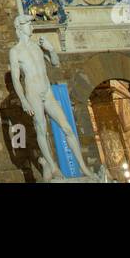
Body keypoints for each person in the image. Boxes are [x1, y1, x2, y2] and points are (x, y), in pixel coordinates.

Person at [9, 15, 90, 180]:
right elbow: (16, 79)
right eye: (28, 24)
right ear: (20, 27)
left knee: (67, 127)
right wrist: (24, 100)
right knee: (41, 129)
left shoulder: (38, 46)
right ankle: (52, 167)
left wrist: (51, 49)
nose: (31, 26)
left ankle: (84, 168)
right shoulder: (15, 51)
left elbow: (55, 63)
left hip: (48, 91)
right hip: (33, 93)